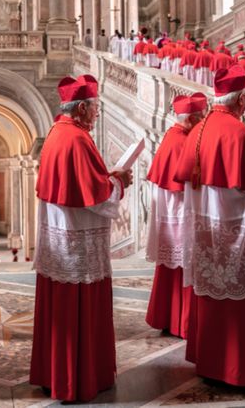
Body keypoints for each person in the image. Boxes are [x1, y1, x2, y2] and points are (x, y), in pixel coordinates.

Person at [30, 74, 133, 402]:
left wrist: (109, 177)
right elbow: (97, 194)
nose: (98, 112)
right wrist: (120, 182)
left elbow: (85, 181)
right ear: (82, 107)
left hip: (65, 236)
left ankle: (56, 373)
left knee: (61, 308)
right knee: (78, 310)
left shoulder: (58, 133)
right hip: (76, 243)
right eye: (95, 106)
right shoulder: (75, 139)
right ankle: (76, 377)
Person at [174, 65, 245, 388]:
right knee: (236, 302)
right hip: (235, 235)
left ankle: (211, 363)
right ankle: (237, 371)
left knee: (212, 300)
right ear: (241, 101)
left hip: (205, 234)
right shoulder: (237, 132)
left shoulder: (199, 130)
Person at [145, 93, 207, 339]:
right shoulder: (183, 141)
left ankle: (167, 318)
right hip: (180, 212)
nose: (203, 122)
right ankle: (183, 323)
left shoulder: (173, 135)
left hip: (172, 211)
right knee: (183, 268)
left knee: (172, 270)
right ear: (190, 119)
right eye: (200, 118)